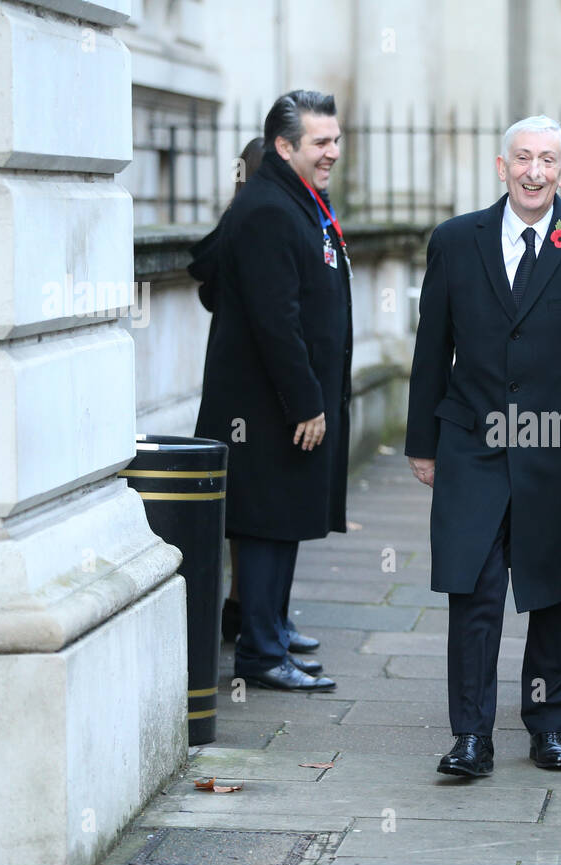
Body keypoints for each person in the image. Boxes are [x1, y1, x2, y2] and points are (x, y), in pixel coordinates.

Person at [405, 115, 561, 777]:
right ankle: (471, 739)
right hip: (472, 443)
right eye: (524, 159)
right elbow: (433, 348)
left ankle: (547, 729)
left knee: (554, 594)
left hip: (560, 447)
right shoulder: (458, 241)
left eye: (548, 160)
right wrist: (421, 443)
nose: (535, 172)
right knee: (474, 593)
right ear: (501, 165)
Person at [193, 90, 353, 691]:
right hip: (266, 410)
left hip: (285, 403)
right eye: (321, 142)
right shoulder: (267, 209)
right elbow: (274, 319)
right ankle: (260, 653)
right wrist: (305, 400)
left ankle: (272, 635)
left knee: (282, 522)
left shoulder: (298, 201)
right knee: (264, 524)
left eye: (335, 139)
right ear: (284, 147)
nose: (333, 151)